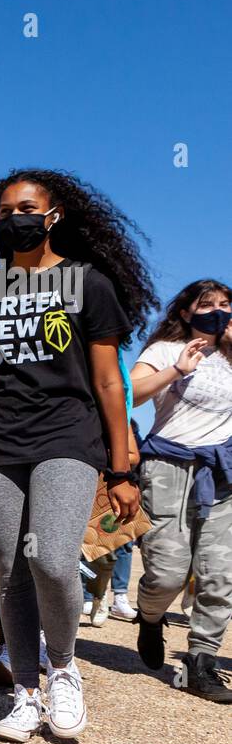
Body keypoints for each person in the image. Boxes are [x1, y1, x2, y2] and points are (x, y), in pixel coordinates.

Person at [0, 168, 153, 742]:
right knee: (12, 572)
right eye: (7, 211)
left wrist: (121, 467)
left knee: (55, 561)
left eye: (28, 207)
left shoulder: (89, 284)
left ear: (54, 214)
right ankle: (26, 691)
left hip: (68, 438)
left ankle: (63, 668)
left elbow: (110, 383)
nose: (18, 218)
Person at [131, 279, 232, 703]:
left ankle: (202, 662)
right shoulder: (165, 351)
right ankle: (150, 616)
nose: (217, 311)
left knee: (218, 573)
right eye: (206, 304)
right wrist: (177, 371)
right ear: (186, 313)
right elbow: (128, 393)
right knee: (169, 569)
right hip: (169, 465)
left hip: (223, 472)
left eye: (226, 304)